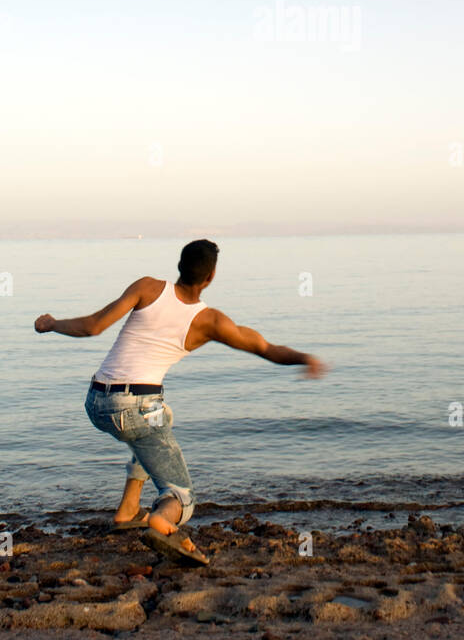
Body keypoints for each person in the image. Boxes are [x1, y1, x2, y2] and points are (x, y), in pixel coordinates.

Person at [34, 239, 325, 564]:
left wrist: (51, 324)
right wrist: (305, 358)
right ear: (210, 278)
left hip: (96, 401)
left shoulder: (147, 287)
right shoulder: (211, 321)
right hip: (136, 409)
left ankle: (128, 510)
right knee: (181, 496)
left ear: (179, 266)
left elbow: (92, 327)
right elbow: (265, 348)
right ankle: (161, 520)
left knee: (162, 421)